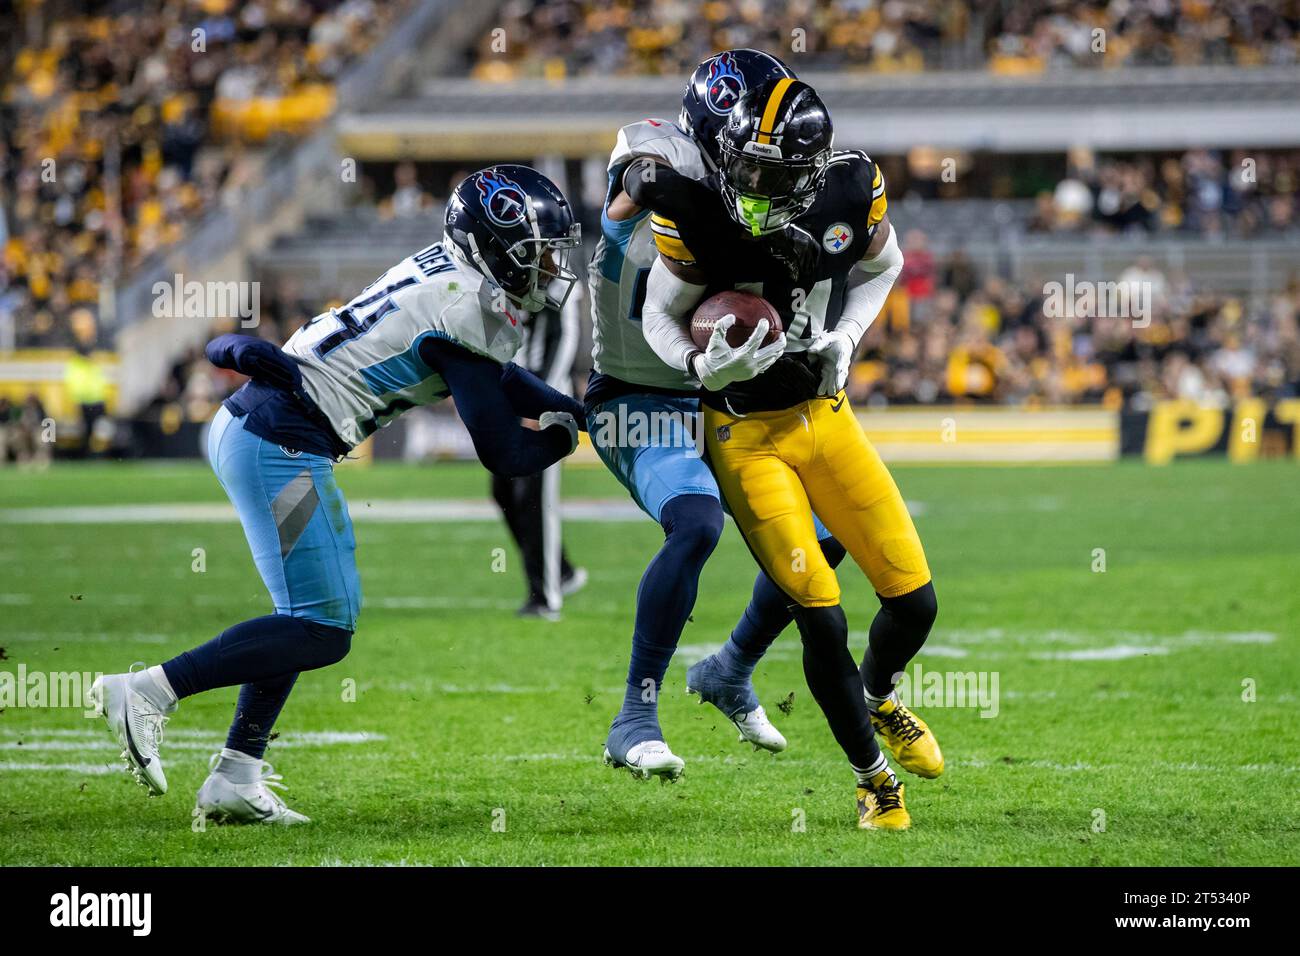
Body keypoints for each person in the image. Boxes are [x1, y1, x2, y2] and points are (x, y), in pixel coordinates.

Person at [90, 165, 585, 824]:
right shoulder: (472, 309)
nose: (549, 266)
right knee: (322, 629)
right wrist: (566, 437)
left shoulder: (451, 275)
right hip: (280, 443)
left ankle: (236, 775)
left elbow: (496, 374)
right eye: (535, 252)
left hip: (271, 429)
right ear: (493, 247)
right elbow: (503, 450)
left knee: (306, 616)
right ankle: (150, 690)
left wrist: (570, 406)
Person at [639, 79, 942, 830]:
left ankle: (878, 697)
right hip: (743, 435)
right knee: (822, 616)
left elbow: (884, 265)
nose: (770, 189)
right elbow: (656, 312)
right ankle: (875, 784)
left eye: (787, 175)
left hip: (824, 413)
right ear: (715, 152)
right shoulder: (691, 205)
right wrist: (697, 366)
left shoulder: (848, 183)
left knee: (914, 602)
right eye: (756, 170)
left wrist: (846, 337)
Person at [585, 49, 848, 780]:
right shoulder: (657, 152)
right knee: (696, 522)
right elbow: (640, 186)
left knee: (825, 536)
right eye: (753, 157)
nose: (766, 176)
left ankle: (730, 668)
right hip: (636, 391)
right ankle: (634, 714)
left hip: (714, 393)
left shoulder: (761, 190)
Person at [491, 292, 587, 620]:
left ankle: (546, 597)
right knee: (503, 490)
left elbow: (565, 336)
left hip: (544, 399)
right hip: (515, 391)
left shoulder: (556, 273)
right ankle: (561, 571)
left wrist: (543, 400)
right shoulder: (510, 267)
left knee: (535, 496)